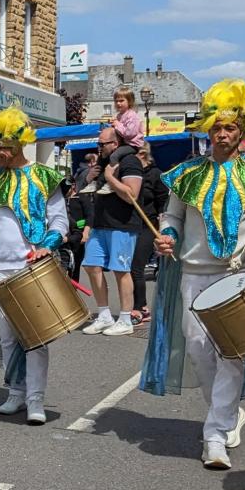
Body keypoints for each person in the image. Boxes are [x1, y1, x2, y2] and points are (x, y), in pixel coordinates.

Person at [143, 78, 245, 470]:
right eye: (217, 127)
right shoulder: (186, 174)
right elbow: (172, 216)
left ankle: (215, 434)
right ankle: (225, 414)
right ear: (208, 130)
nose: (222, 134)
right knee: (198, 348)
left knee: (232, 352)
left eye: (230, 128)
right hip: (194, 272)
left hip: (239, 274)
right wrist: (168, 237)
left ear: (242, 131)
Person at [0, 107, 68, 425]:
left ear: (20, 144)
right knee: (8, 338)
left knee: (34, 336)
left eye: (3, 146)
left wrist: (45, 248)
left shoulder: (43, 177)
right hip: (0, 270)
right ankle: (16, 393)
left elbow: (60, 222)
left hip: (32, 269)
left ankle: (36, 399)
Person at [80, 124, 145, 337]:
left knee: (120, 270)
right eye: (97, 144)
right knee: (91, 266)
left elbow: (132, 195)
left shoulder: (130, 161)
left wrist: (110, 178)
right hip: (100, 223)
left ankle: (125, 318)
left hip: (122, 224)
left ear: (115, 143)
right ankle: (104, 314)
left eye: (102, 144)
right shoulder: (103, 163)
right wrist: (91, 177)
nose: (98, 148)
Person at [129, 145, 168, 324]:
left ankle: (141, 308)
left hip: (149, 225)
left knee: (137, 266)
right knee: (128, 267)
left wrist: (161, 229)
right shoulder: (129, 173)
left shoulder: (155, 174)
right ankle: (136, 304)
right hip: (131, 224)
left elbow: (163, 204)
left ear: (143, 154)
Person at [84, 87, 145, 194]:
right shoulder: (120, 116)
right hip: (124, 143)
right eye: (116, 101)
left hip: (132, 145)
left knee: (114, 156)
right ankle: (95, 182)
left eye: (121, 101)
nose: (118, 103)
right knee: (102, 157)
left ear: (129, 101)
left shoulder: (132, 116)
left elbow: (129, 133)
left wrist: (117, 125)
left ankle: (112, 182)